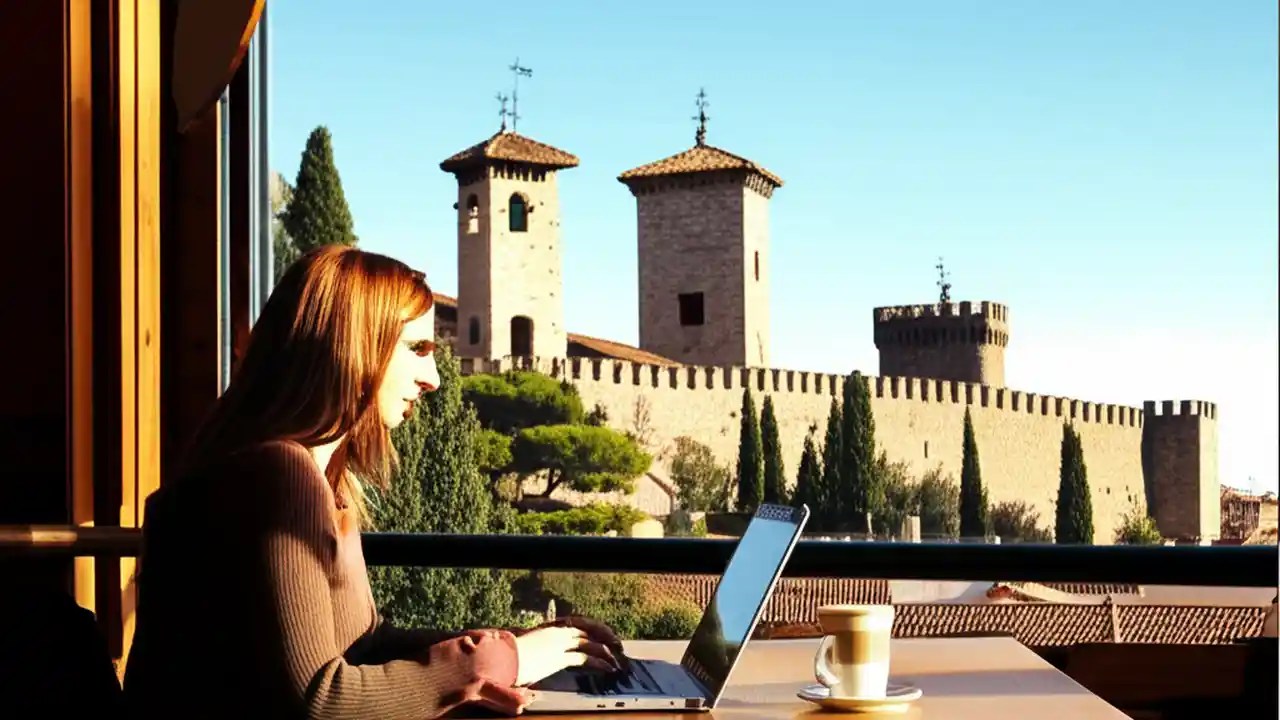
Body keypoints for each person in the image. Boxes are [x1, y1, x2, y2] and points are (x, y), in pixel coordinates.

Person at [122, 246, 621, 719]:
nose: (434, 379)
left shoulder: (306, 476)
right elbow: (322, 700)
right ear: (353, 346)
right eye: (417, 347)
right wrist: (500, 660)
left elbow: (363, 644)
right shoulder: (276, 475)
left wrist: (519, 644)